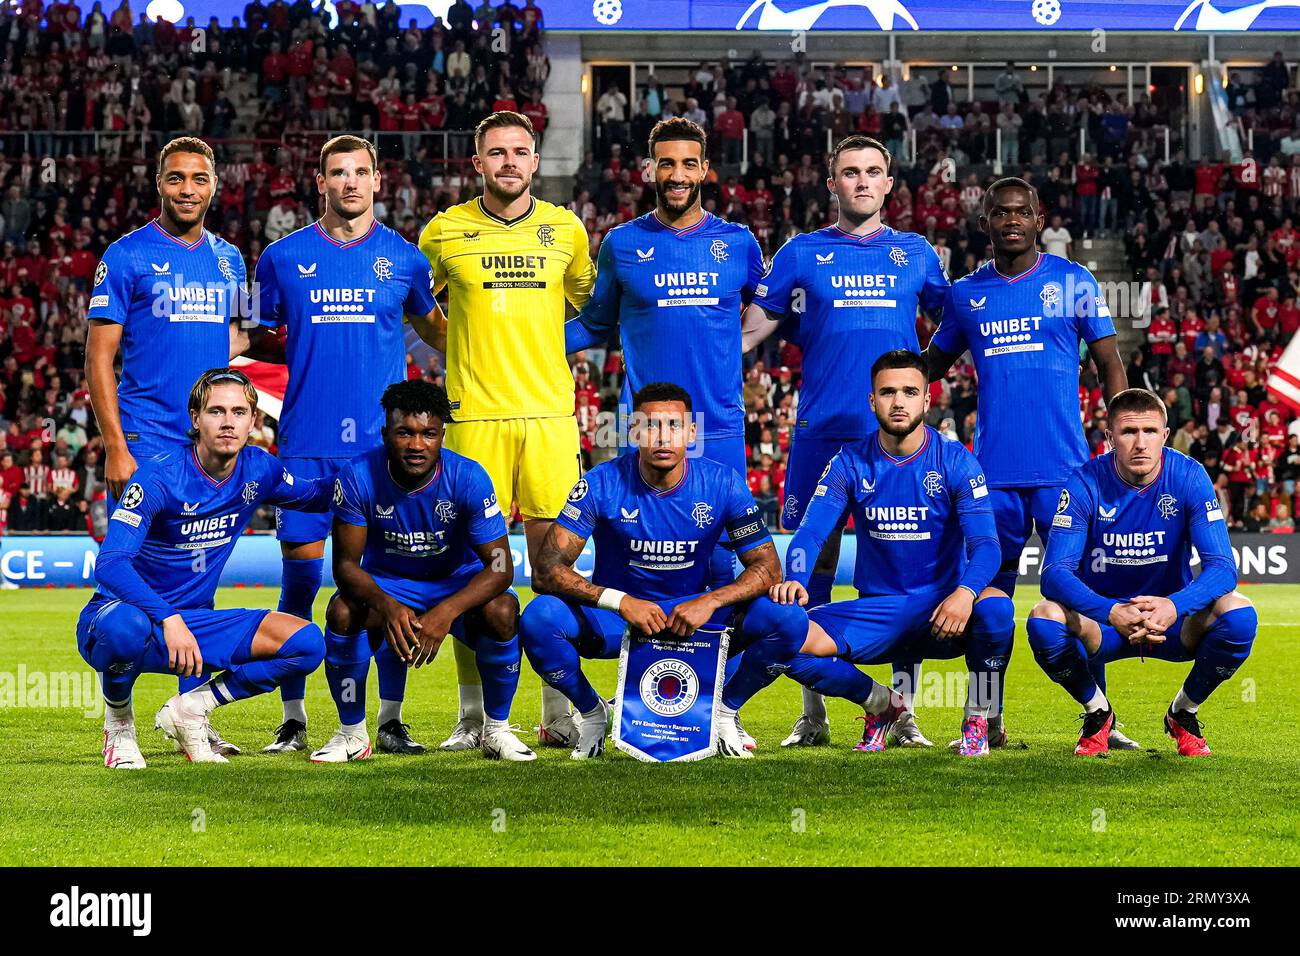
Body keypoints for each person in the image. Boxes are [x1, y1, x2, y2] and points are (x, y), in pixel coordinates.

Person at [740, 134, 950, 748]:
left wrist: (920, 378)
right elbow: (750, 332)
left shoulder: (917, 255)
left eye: (873, 172)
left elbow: (958, 324)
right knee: (810, 569)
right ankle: (815, 713)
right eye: (850, 172)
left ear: (889, 184)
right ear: (831, 183)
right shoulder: (800, 253)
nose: (862, 181)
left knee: (905, 574)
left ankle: (902, 711)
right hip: (819, 437)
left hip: (896, 441)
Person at [562, 116, 766, 745]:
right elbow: (591, 326)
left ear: (705, 170)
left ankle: (716, 710)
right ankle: (632, 701)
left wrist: (741, 351)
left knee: (732, 578)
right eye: (665, 164)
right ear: (649, 170)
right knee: (640, 565)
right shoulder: (621, 244)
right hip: (647, 435)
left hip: (722, 432)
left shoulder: (739, 244)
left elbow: (774, 310)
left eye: (688, 164)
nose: (677, 176)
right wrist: (507, 340)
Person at [245, 135, 445, 755]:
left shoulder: (406, 259)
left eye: (361, 172)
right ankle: (295, 717)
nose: (351, 183)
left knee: (382, 586)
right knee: (300, 583)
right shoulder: (280, 258)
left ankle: (386, 720)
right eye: (339, 173)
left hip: (381, 457)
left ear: (378, 180)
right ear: (321, 180)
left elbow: (436, 333)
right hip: (305, 445)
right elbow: (253, 334)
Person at [924, 176, 1130, 750]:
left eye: (1021, 212)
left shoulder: (1073, 281)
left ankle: (1103, 720)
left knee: (1079, 597)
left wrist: (1119, 431)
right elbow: (930, 366)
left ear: (1039, 219)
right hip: (991, 479)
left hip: (1068, 476)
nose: (1011, 220)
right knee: (989, 603)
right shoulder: (966, 295)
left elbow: (1109, 362)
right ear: (984, 222)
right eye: (999, 212)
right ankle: (984, 719)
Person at [419, 110, 596, 751]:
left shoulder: (565, 229)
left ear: (535, 159)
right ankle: (473, 719)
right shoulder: (444, 231)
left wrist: (551, 343)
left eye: (521, 151)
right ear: (478, 163)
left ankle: (556, 712)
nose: (510, 162)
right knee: (475, 571)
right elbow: (418, 306)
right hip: (473, 419)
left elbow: (592, 308)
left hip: (550, 418)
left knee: (553, 568)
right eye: (497, 153)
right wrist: (454, 345)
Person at [729, 350, 1008, 756]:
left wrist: (965, 594)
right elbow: (810, 535)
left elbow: (986, 545)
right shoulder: (849, 462)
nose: (899, 401)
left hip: (941, 611)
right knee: (779, 631)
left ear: (927, 400)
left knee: (997, 610)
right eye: (888, 392)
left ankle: (977, 720)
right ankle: (882, 703)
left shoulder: (956, 462)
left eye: (910, 391)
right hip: (876, 612)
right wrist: (796, 579)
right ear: (872, 400)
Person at [76, 368, 332, 768]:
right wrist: (167, 616)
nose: (228, 421)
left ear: (253, 420)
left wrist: (370, 474)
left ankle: (192, 707)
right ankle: (119, 725)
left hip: (195, 627)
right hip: (127, 622)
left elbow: (314, 495)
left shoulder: (258, 469)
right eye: (216, 411)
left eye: (239, 411)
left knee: (307, 643)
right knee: (124, 627)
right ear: (195, 419)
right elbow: (110, 564)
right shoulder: (159, 477)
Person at [86, 136, 250, 757]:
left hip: (208, 444)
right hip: (147, 442)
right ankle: (119, 722)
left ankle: (189, 715)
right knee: (130, 583)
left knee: (200, 579)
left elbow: (242, 338)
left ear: (215, 185)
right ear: (161, 184)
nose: (188, 189)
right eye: (177, 179)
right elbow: (100, 357)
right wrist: (115, 445)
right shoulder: (125, 256)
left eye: (199, 179)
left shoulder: (232, 260)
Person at [519, 382, 781, 759]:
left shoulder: (722, 483)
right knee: (539, 619)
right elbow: (546, 571)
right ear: (633, 431)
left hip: (691, 616)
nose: (662, 436)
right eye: (650, 425)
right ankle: (594, 713)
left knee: (784, 618)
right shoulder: (602, 482)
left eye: (674, 425)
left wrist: (709, 602)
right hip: (617, 618)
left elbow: (768, 568)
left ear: (691, 432)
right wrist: (621, 601)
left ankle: (724, 712)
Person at [1028, 389, 1256, 757]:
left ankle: (1184, 712)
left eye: (1150, 431)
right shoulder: (1085, 482)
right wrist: (1111, 611)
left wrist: (1174, 605)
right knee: (1043, 617)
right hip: (1103, 624)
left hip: (1172, 623)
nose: (1140, 443)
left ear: (1165, 435)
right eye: (1128, 432)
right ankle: (1098, 712)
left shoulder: (1188, 475)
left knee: (1240, 613)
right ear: (1109, 438)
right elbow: (1054, 573)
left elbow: (1223, 568)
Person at [313, 379, 530, 762]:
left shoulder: (469, 477)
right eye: (405, 433)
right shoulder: (358, 476)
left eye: (429, 434)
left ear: (442, 434)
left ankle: (495, 730)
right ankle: (351, 735)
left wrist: (447, 612)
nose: (417, 445)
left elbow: (500, 567)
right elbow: (345, 567)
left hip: (454, 583)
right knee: (343, 610)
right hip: (388, 584)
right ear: (385, 434)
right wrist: (389, 606)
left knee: (503, 610)